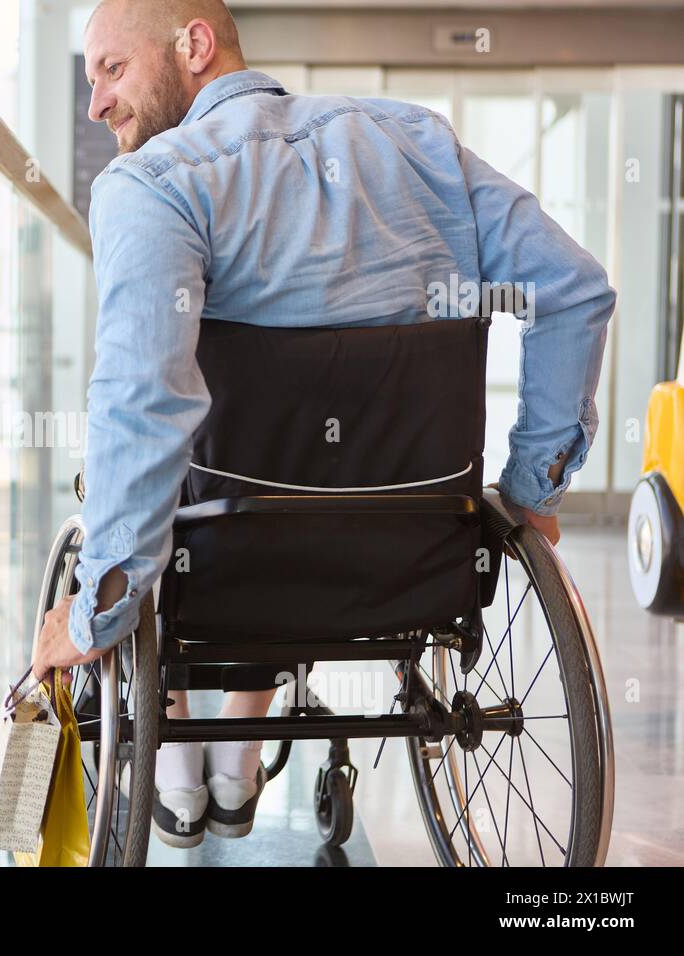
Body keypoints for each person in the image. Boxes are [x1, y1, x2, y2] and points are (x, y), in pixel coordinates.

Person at [31, 0, 615, 848]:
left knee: (162, 478)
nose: (96, 105)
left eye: (110, 71)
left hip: (223, 559)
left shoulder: (151, 184)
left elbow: (144, 399)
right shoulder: (420, 144)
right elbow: (575, 288)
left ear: (194, 45)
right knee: (284, 477)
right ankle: (238, 756)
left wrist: (93, 612)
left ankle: (187, 760)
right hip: (414, 560)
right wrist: (531, 491)